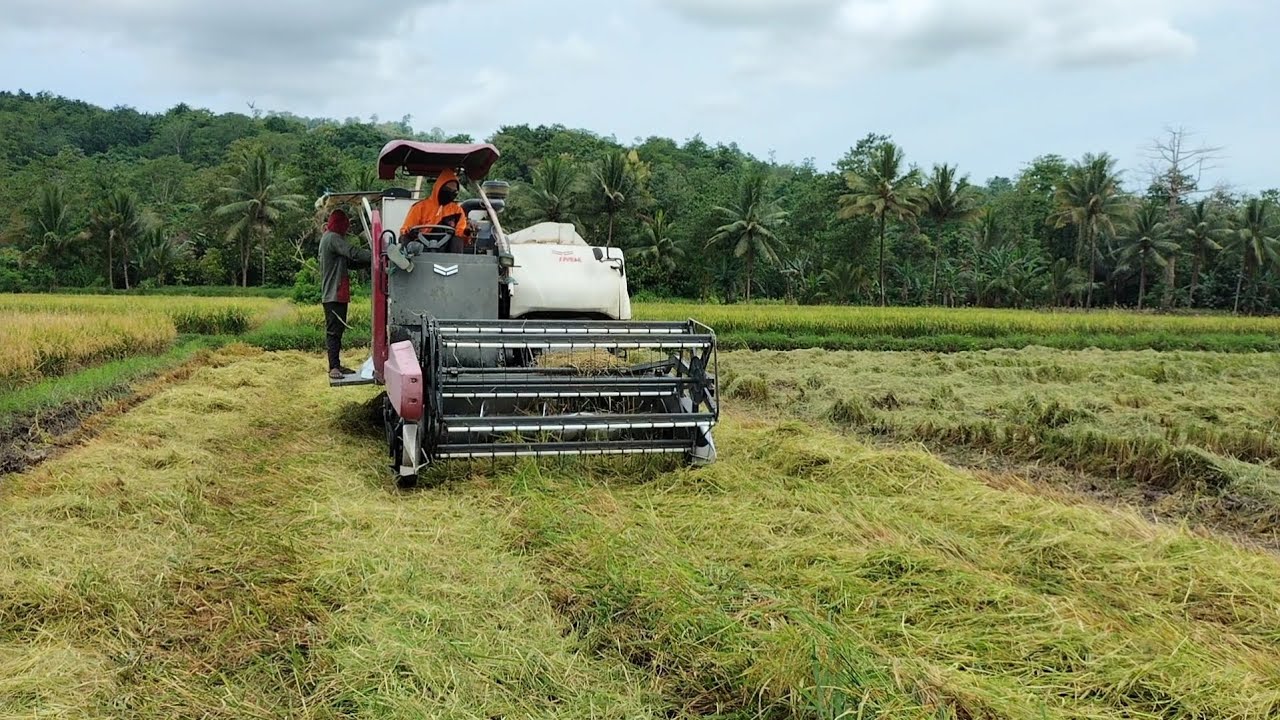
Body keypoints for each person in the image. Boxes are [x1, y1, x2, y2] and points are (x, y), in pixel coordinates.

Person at [318, 209, 371, 380]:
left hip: (337, 293)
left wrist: (369, 262)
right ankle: (333, 367)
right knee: (334, 333)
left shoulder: (329, 238)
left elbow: (350, 262)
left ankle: (337, 365)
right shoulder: (333, 237)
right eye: (345, 225)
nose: (346, 230)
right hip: (333, 294)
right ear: (339, 224)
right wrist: (377, 255)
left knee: (338, 332)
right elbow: (352, 252)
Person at [399, 168, 470, 250]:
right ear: (439, 187)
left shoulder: (457, 211)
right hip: (420, 247)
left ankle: (456, 262)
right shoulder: (420, 207)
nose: (450, 193)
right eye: (447, 189)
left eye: (454, 191)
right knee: (405, 237)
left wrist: (467, 232)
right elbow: (407, 229)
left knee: (457, 240)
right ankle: (405, 260)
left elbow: (461, 231)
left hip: (446, 248)